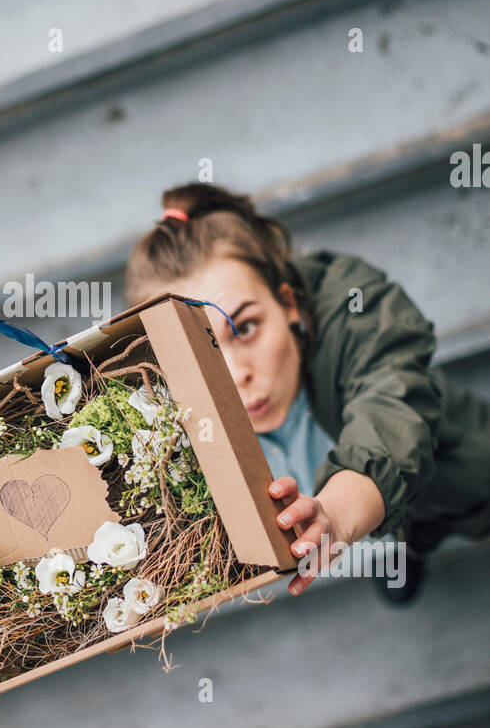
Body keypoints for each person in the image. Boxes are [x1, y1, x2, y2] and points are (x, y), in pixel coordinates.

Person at [124, 182, 490, 603]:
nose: (237, 375)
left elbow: (392, 403)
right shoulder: (162, 395)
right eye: (203, 351)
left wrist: (338, 516)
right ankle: (394, 546)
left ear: (287, 302)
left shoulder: (355, 308)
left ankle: (397, 533)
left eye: (244, 327)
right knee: (386, 539)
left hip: (442, 476)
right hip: (347, 523)